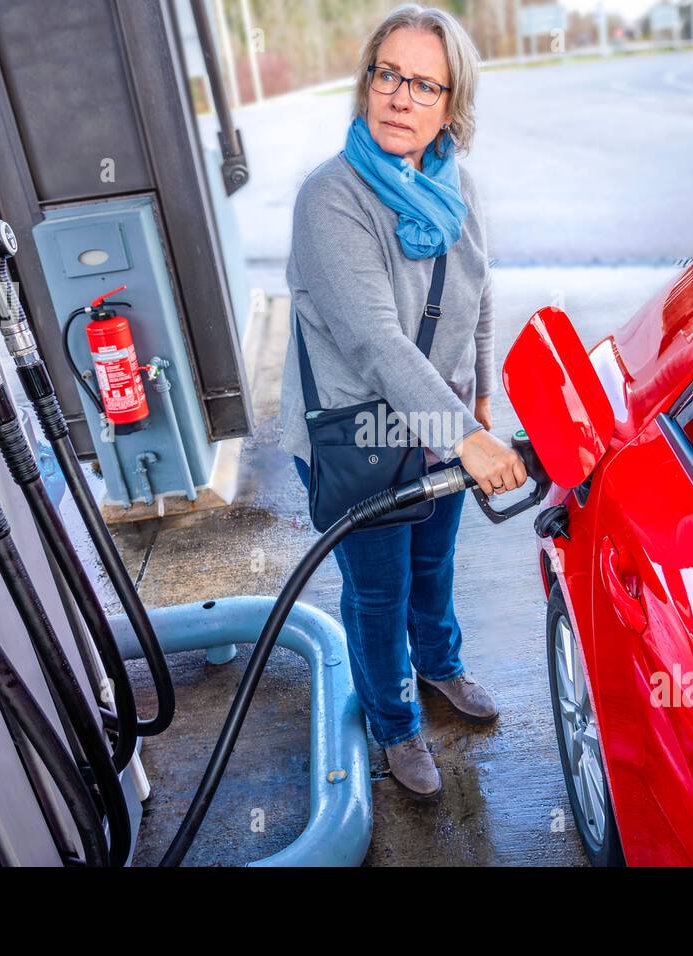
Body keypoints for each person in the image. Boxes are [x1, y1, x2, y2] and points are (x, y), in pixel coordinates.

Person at [280, 5, 526, 798]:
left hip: (442, 424)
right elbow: (376, 344)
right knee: (378, 589)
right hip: (359, 435)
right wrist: (466, 437)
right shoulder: (332, 198)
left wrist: (480, 397)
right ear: (367, 84)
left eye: (424, 84)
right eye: (387, 75)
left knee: (435, 562)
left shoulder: (457, 185)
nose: (399, 97)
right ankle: (392, 722)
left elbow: (478, 293)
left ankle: (442, 668)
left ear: (451, 107)